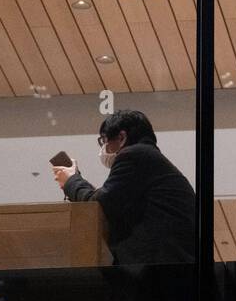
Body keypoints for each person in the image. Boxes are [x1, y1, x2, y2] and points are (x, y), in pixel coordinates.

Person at [50, 110, 196, 265]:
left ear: (121, 137)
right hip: (176, 265)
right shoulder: (150, 158)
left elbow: (100, 203)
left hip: (160, 269)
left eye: (104, 141)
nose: (103, 149)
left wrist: (71, 181)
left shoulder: (134, 155)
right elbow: (110, 199)